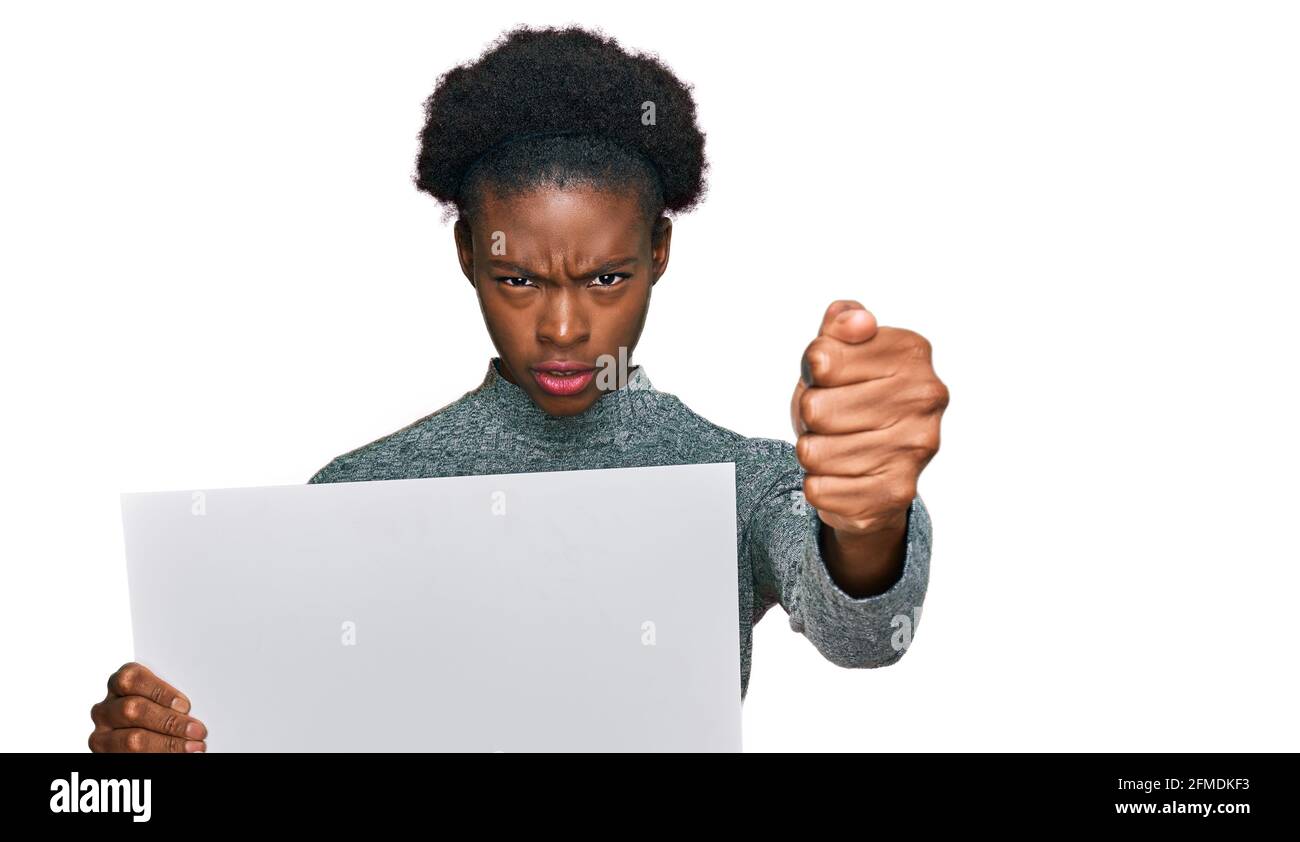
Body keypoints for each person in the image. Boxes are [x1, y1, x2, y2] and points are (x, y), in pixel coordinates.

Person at [89, 24, 948, 753]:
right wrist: (159, 756)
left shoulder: (743, 481)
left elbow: (864, 636)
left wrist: (866, 520)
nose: (565, 329)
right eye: (520, 280)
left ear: (659, 251)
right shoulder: (356, 495)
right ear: (468, 253)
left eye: (607, 279)